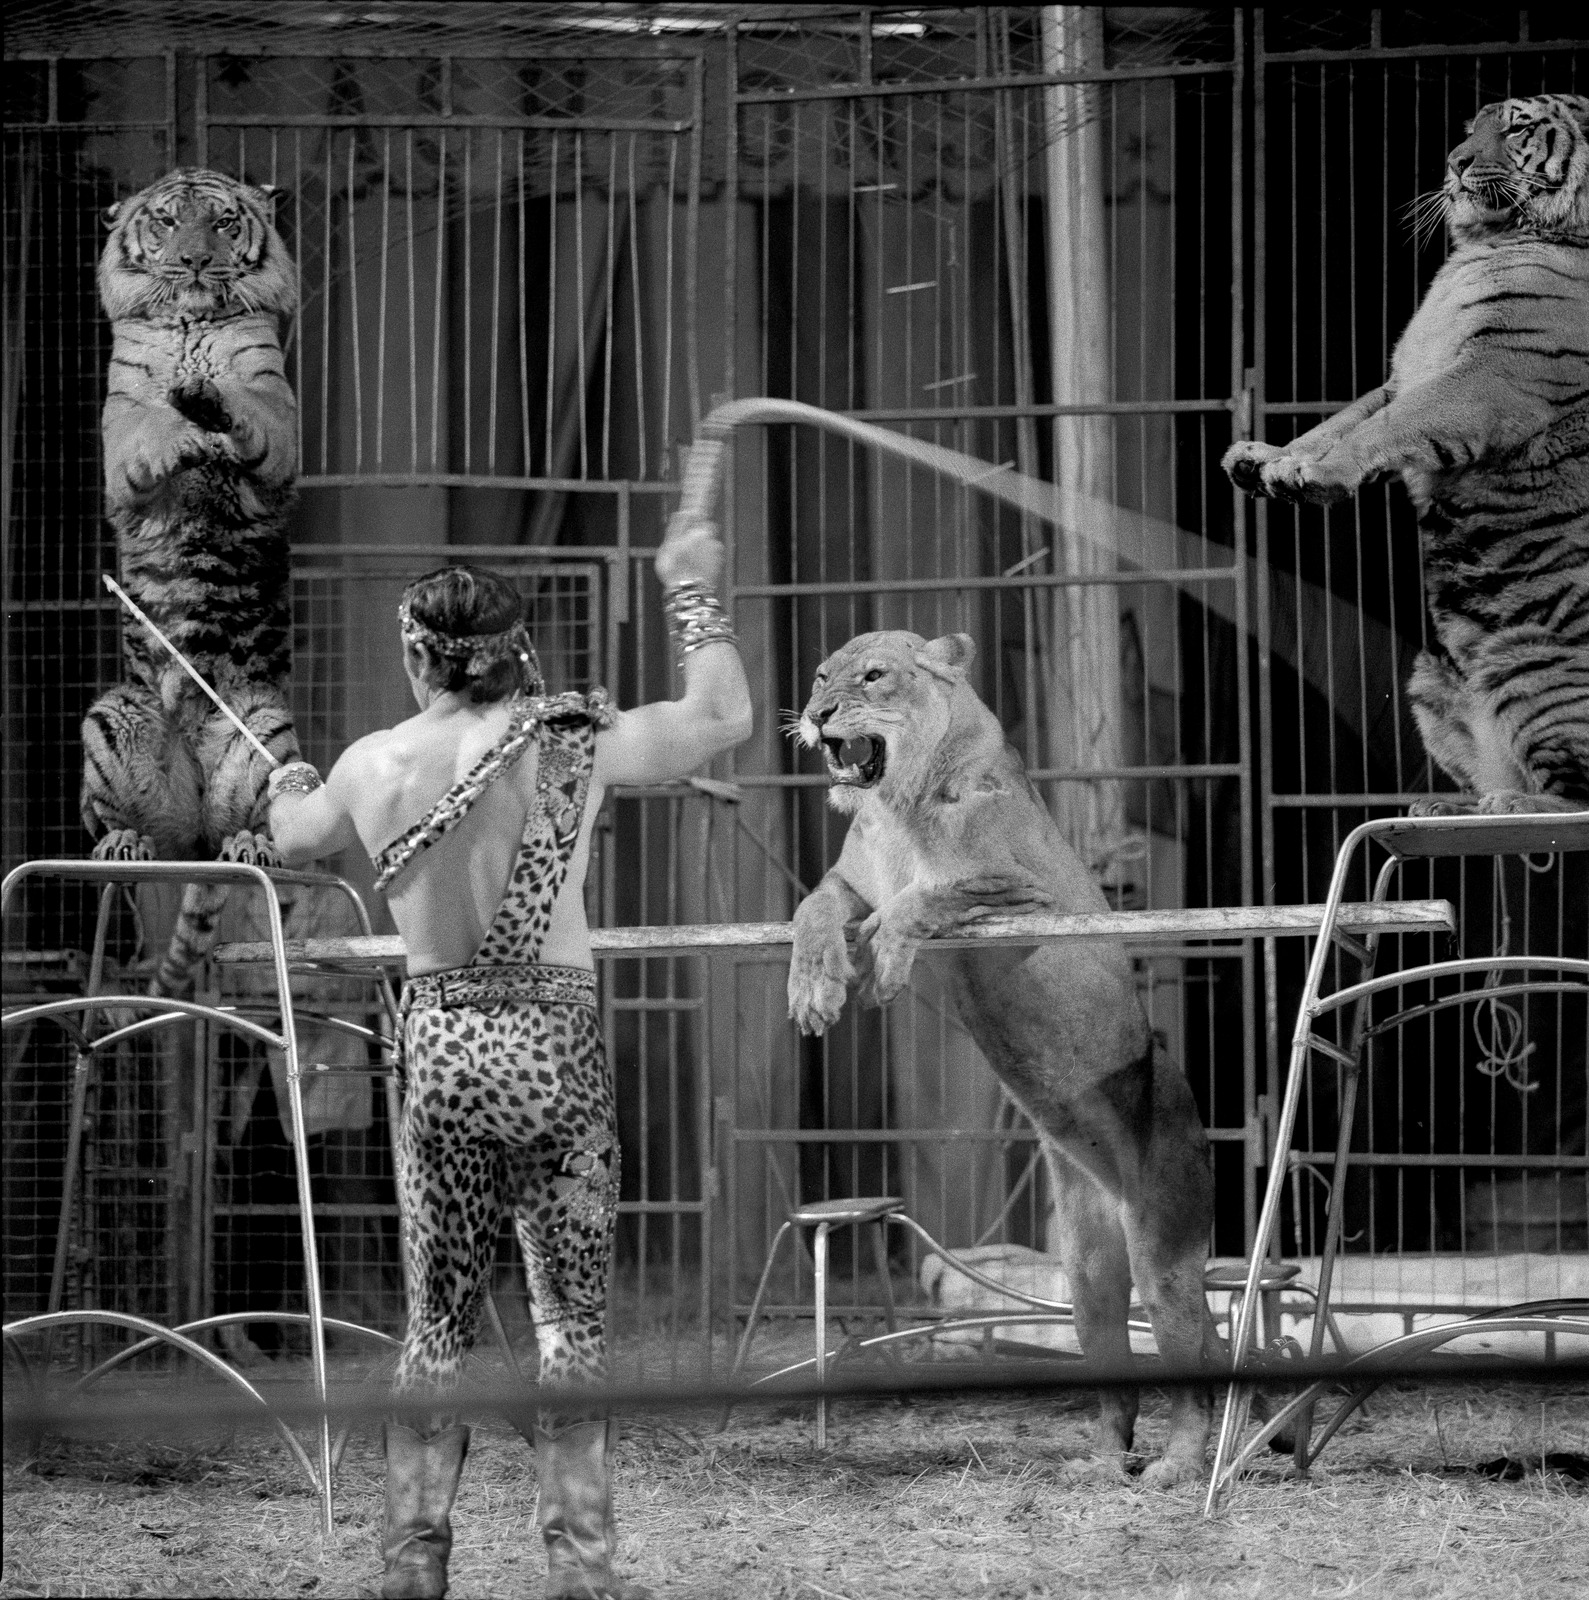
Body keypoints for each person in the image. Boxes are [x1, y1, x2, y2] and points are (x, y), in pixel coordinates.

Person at [266, 519, 751, 1600]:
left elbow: (290, 830)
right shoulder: (571, 738)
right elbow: (724, 715)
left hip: (439, 1047)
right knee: (571, 1322)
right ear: (516, 649)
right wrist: (689, 589)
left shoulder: (370, 764)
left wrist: (288, 767)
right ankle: (580, 1575)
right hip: (555, 1050)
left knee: (435, 1322)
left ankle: (409, 1571)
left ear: (412, 652)